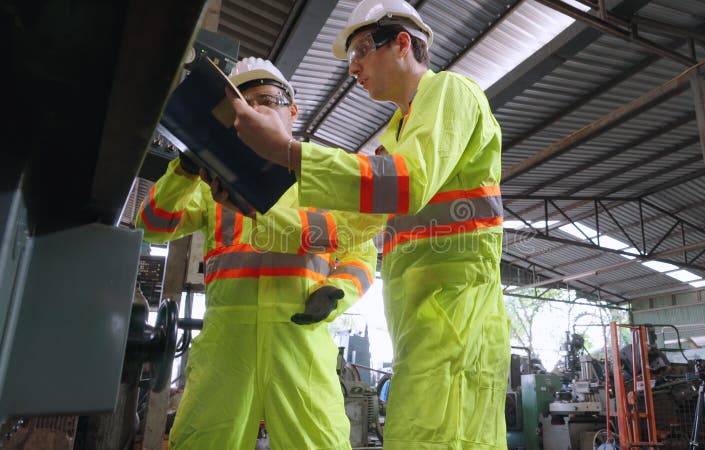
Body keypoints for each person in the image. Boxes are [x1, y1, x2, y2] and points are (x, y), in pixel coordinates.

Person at [223, 0, 511, 447]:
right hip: (423, 324)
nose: (352, 68)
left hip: (458, 320)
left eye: (359, 51)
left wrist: (289, 153)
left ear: (401, 43)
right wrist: (252, 206)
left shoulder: (452, 92)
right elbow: (346, 231)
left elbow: (408, 183)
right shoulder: (396, 132)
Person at [137, 57, 377, 450]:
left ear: (293, 111)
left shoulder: (321, 176)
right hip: (226, 352)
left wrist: (337, 291)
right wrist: (183, 168)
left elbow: (362, 253)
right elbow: (151, 227)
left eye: (267, 99)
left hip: (300, 343)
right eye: (244, 105)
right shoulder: (205, 180)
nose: (256, 110)